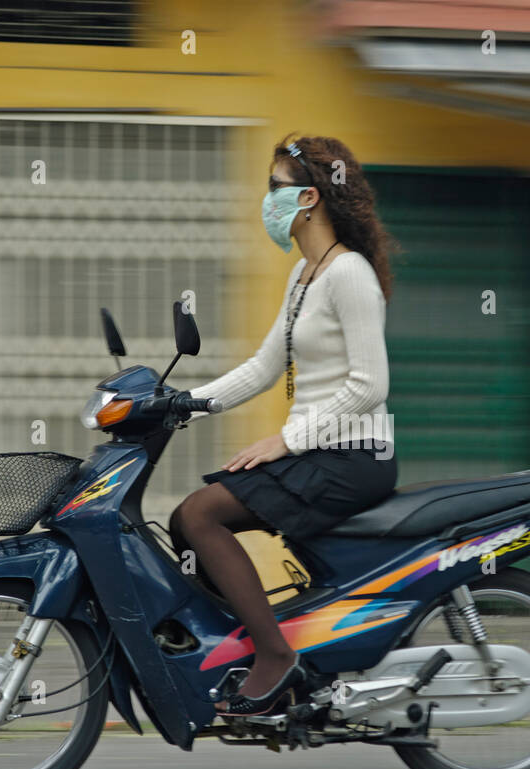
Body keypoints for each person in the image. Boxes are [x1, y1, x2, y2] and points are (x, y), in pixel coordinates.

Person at [172, 134, 398, 716]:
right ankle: (248, 645)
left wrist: (287, 440)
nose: (265, 199)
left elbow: (371, 385)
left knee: (200, 514)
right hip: (319, 452)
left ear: (310, 198)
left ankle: (274, 657)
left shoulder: (349, 274)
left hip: (353, 458)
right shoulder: (305, 274)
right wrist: (182, 403)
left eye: (275, 187)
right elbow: (264, 367)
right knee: (187, 519)